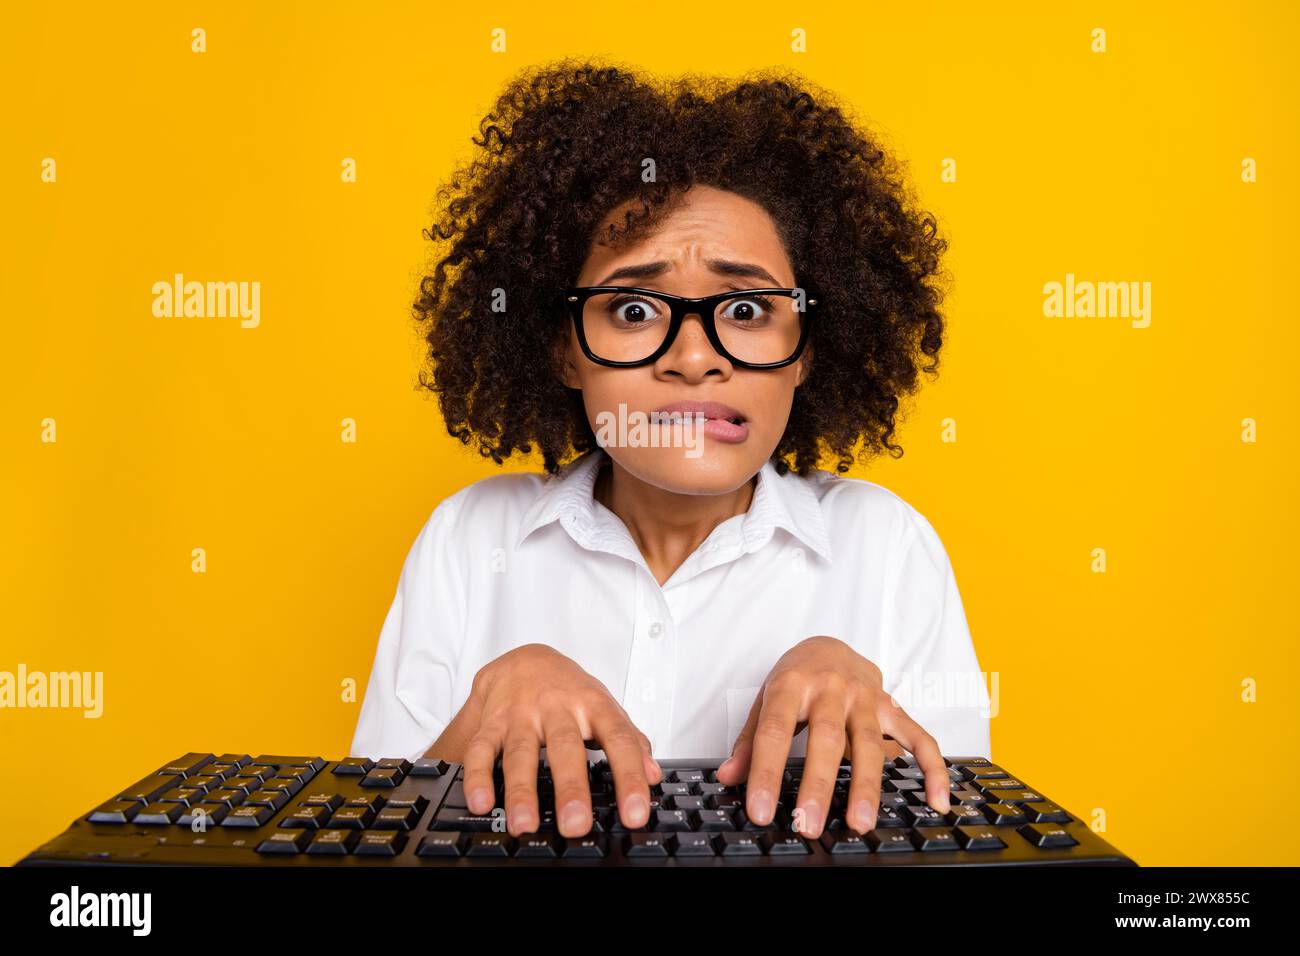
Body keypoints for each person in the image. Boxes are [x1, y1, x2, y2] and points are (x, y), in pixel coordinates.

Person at [351, 60, 992, 843]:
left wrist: (874, 745)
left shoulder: (887, 550)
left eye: (748, 308)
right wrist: (476, 727)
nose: (694, 357)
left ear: (805, 353)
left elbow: (961, 846)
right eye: (633, 308)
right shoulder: (468, 540)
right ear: (564, 349)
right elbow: (367, 844)